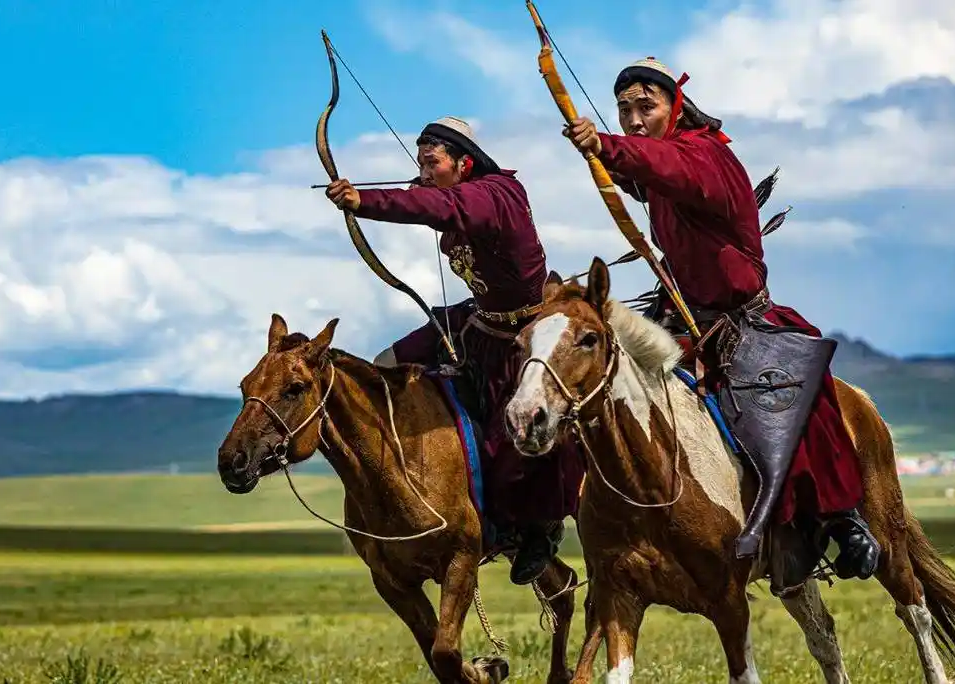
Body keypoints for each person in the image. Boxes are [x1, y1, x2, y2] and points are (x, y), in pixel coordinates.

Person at [561, 58, 881, 587]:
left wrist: (606, 145)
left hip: (743, 319)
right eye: (623, 110)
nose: (634, 119)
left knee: (793, 400)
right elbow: (648, 176)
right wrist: (605, 158)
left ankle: (843, 519)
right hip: (684, 317)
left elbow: (670, 168)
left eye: (646, 107)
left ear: (676, 108)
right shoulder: (660, 162)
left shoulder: (707, 155)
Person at [324, 116, 585, 585]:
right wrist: (406, 191)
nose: (425, 172)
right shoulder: (454, 191)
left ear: (465, 163)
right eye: (421, 164)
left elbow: (443, 206)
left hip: (523, 333)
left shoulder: (497, 195)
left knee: (511, 444)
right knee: (385, 367)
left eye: (433, 163)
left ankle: (538, 531)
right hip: (475, 320)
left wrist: (365, 200)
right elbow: (433, 200)